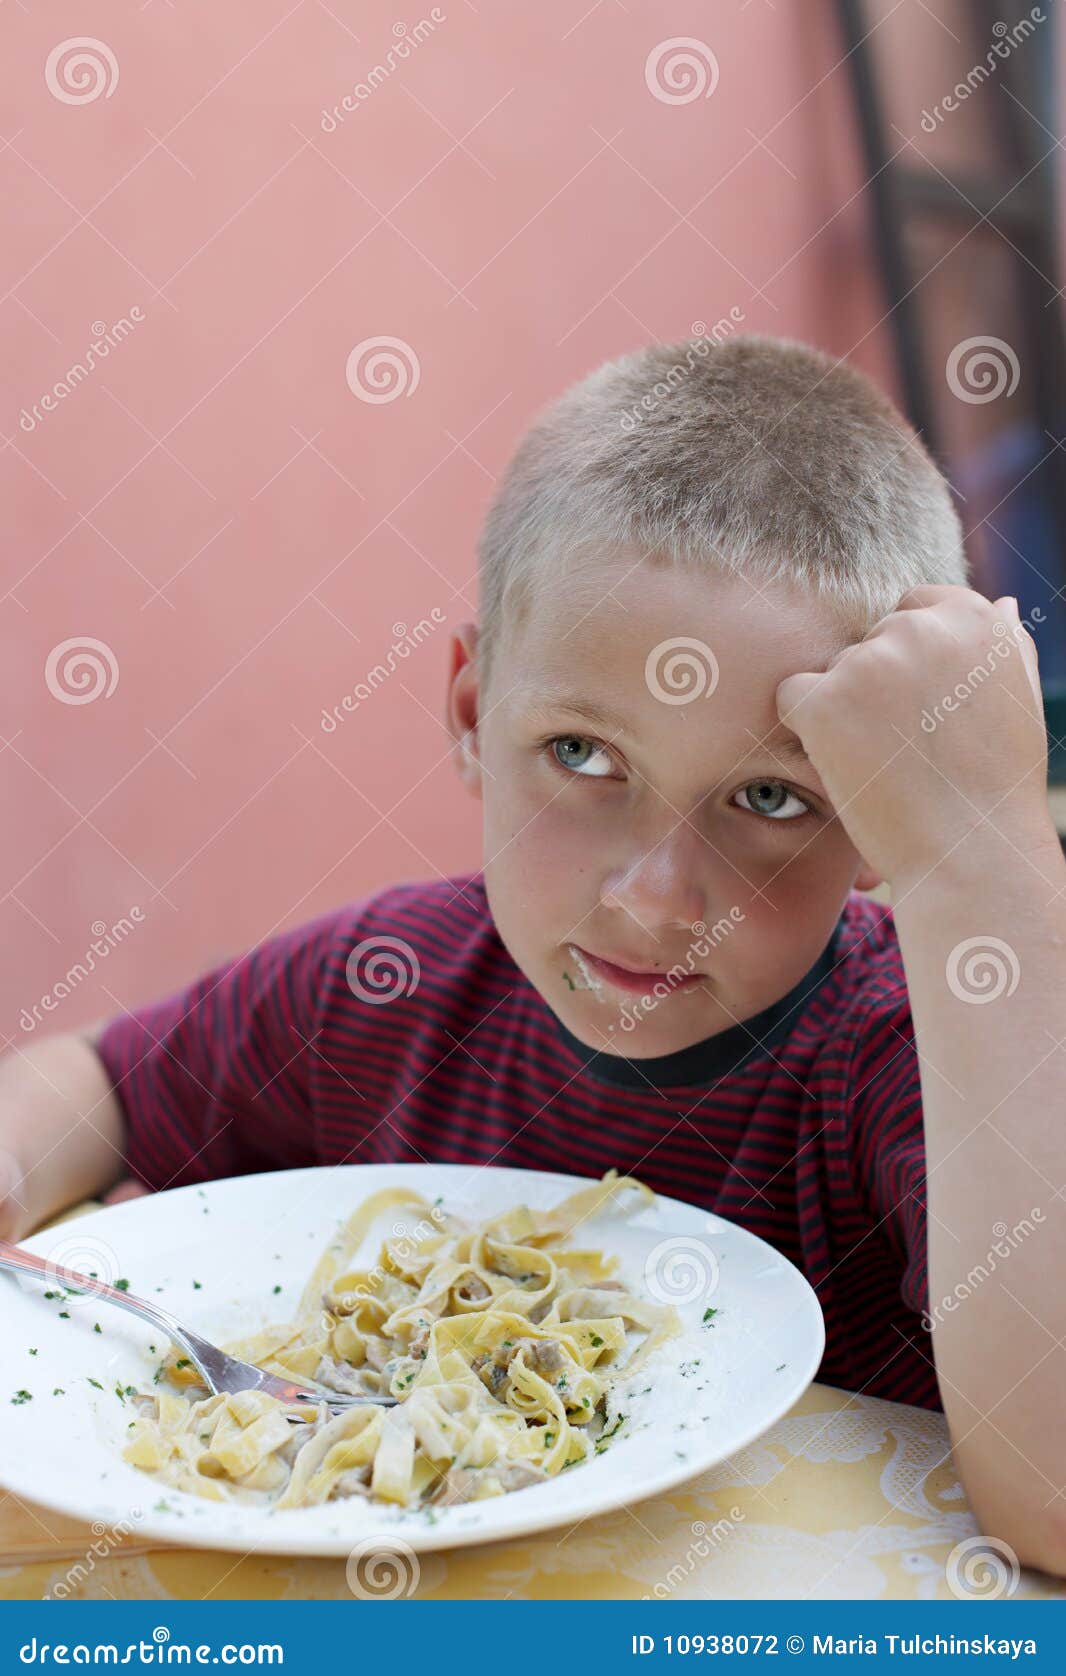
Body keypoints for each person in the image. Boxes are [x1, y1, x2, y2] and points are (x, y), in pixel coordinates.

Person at [3, 334, 1063, 1571]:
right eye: (583, 755)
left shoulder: (918, 1051)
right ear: (470, 713)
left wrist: (975, 852)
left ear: (880, 813)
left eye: (771, 798)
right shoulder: (386, 983)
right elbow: (101, 1084)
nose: (656, 899)